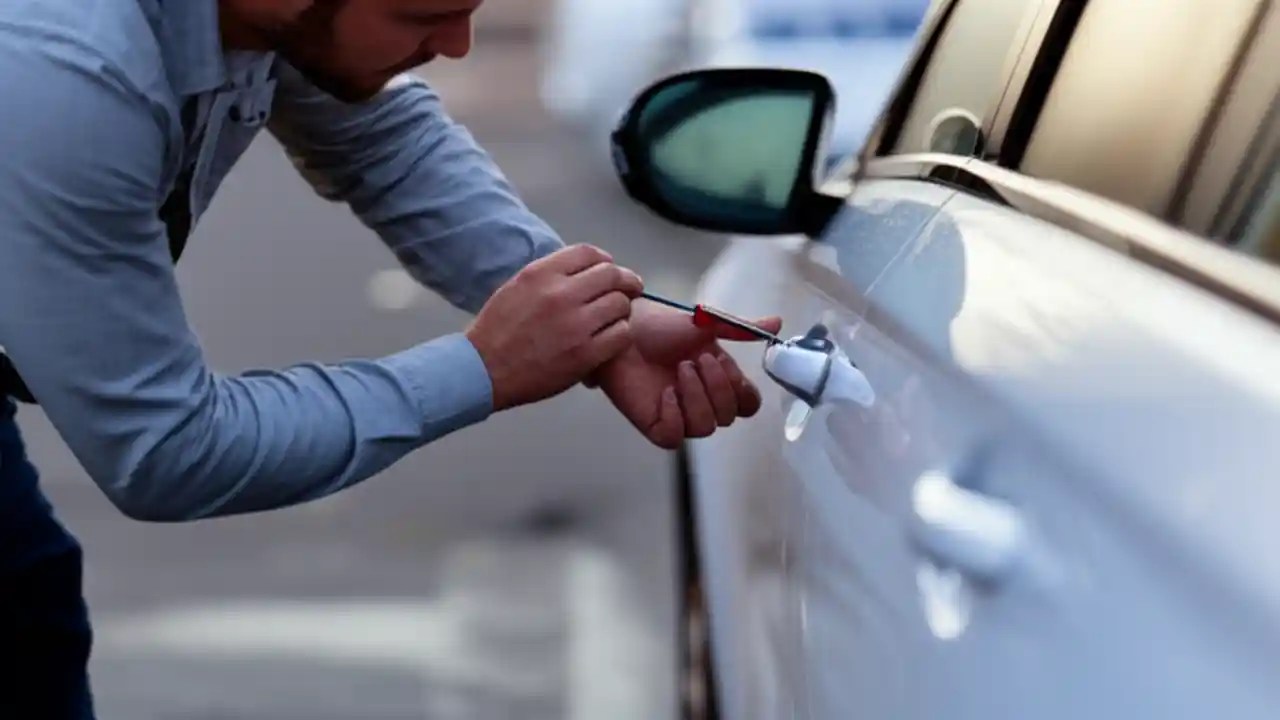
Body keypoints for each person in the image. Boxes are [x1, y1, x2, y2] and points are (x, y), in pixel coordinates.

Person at [0, 0, 782, 716]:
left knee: (29, 620)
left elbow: (385, 142)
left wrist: (600, 320)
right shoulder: (63, 75)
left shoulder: (256, 19)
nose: (458, 44)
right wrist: (485, 368)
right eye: (423, 13)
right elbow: (168, 447)